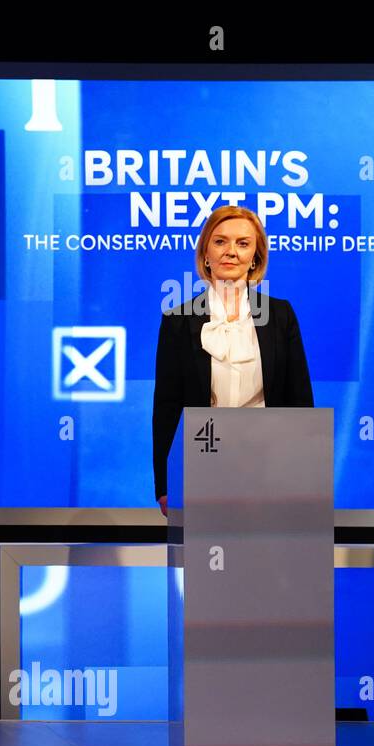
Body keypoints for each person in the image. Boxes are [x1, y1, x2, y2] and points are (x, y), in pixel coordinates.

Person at [152, 205, 314, 516]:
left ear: (256, 256)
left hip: (272, 467)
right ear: (206, 254)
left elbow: (300, 401)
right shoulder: (178, 320)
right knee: (207, 561)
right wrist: (165, 483)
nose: (231, 252)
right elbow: (166, 407)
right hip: (202, 464)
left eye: (243, 243)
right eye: (220, 241)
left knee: (268, 560)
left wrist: (303, 474)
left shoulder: (281, 315)